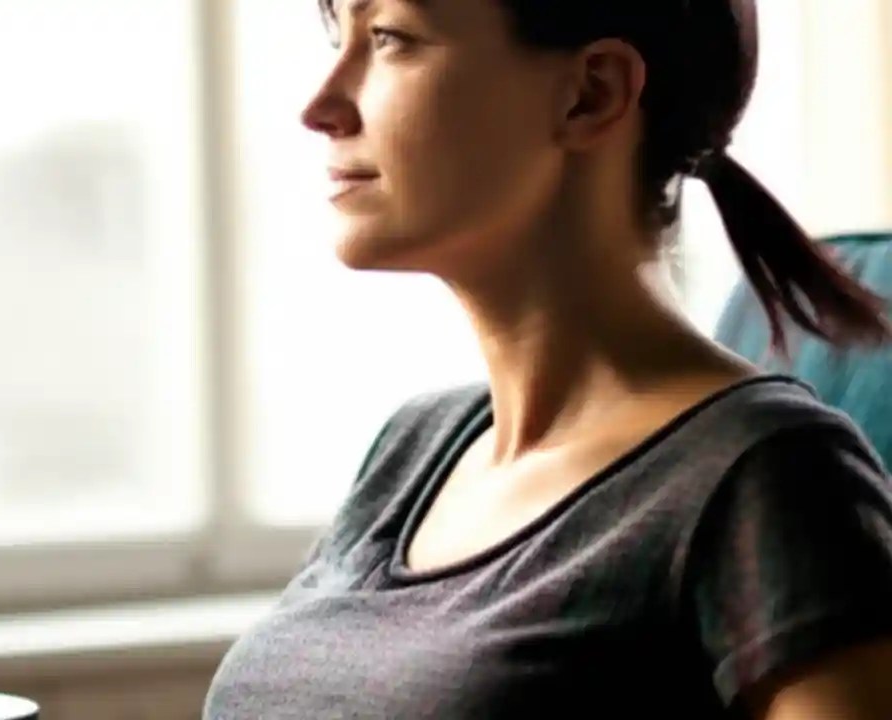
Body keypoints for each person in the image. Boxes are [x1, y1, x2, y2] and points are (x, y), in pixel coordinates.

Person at [203, 0, 892, 718]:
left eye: (390, 38)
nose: (320, 107)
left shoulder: (767, 476)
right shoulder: (414, 447)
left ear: (591, 93)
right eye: (337, 36)